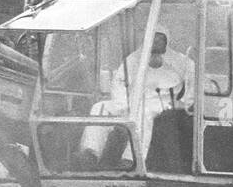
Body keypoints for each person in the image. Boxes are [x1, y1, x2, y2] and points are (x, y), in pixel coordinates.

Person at [80, 30, 193, 167]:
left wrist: (185, 103)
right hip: (131, 102)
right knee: (100, 107)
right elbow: (119, 81)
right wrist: (123, 105)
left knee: (143, 112)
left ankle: (131, 159)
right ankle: (90, 153)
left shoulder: (181, 61)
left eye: (160, 39)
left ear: (166, 41)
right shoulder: (133, 59)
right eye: (153, 38)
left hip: (162, 103)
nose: (156, 42)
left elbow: (193, 83)